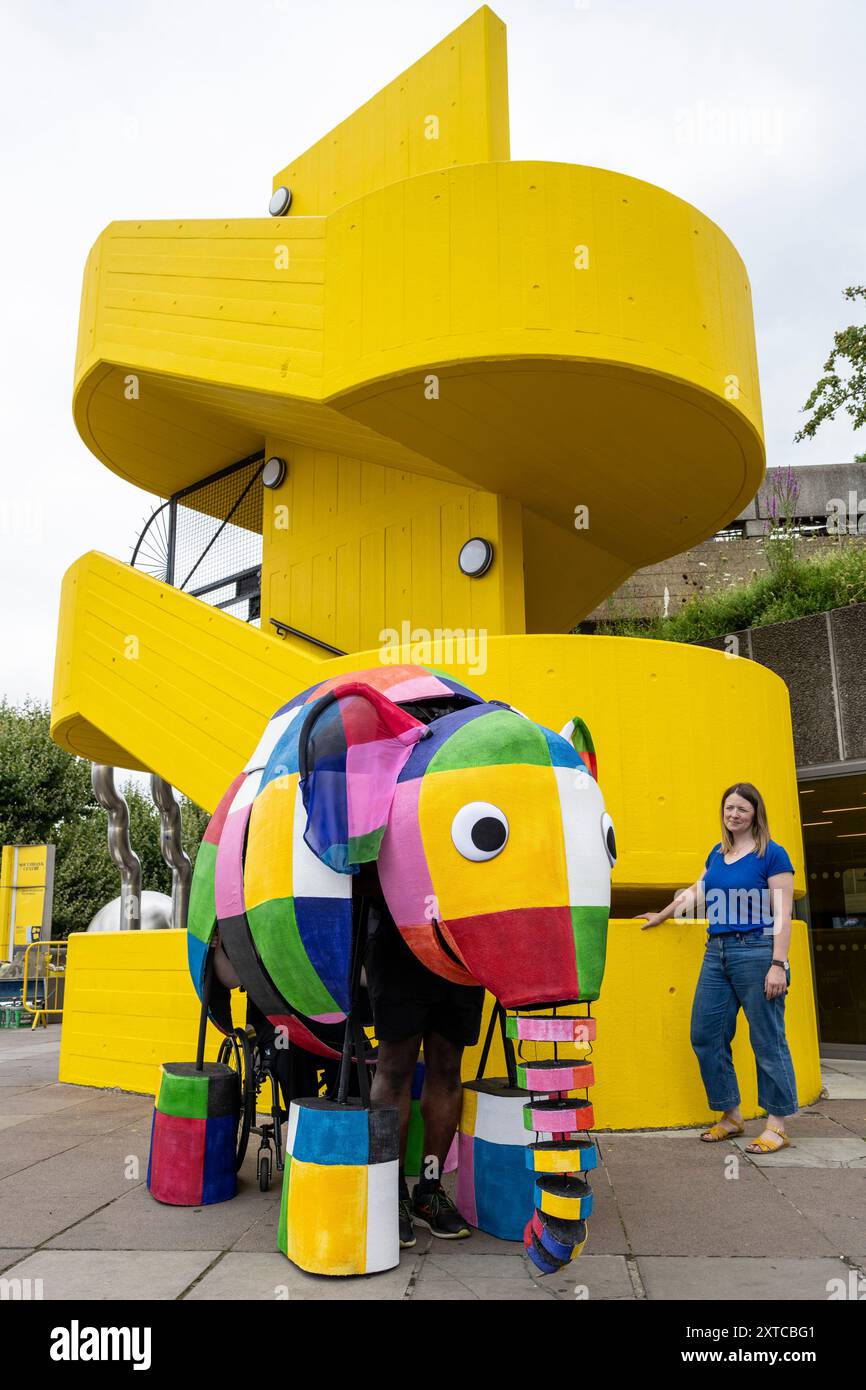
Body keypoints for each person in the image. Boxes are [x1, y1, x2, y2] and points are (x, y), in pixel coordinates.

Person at [636, 782, 798, 1155]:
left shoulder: (772, 855)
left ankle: (777, 1125)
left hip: (758, 952)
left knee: (767, 1040)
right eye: (728, 809)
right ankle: (732, 1115)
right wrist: (662, 914)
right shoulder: (717, 853)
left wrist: (778, 965)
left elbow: (784, 913)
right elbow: (697, 890)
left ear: (756, 813)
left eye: (741, 808)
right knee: (706, 1034)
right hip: (717, 952)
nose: (734, 814)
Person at [357, 869, 484, 1246]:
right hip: (398, 933)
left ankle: (429, 1190)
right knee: (395, 1065)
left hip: (461, 935)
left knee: (447, 1066)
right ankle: (391, 1191)